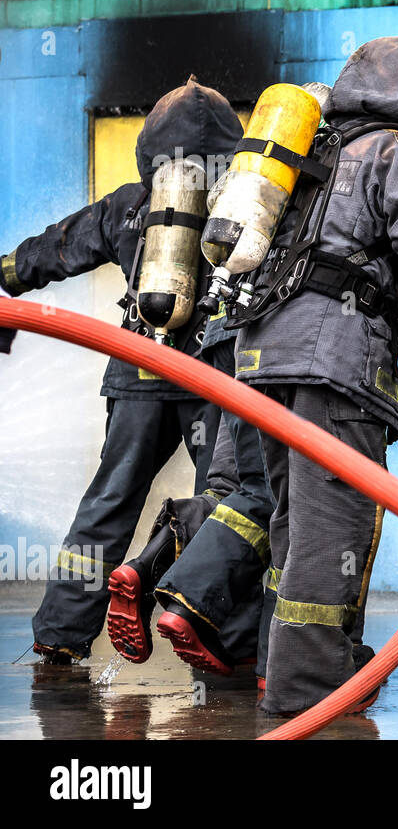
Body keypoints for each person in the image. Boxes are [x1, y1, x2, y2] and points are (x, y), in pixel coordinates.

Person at [233, 35, 398, 715]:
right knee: (334, 530)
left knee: (294, 526)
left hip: (265, 359)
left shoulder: (317, 149)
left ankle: (291, 667)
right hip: (335, 362)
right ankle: (309, 693)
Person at [0, 77, 243, 663]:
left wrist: (5, 279)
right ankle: (210, 628)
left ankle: (59, 634)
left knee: (109, 501)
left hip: (138, 370)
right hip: (214, 376)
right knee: (229, 500)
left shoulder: (128, 205)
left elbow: (54, 250)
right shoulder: (240, 205)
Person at [105, 306, 273, 673]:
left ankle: (146, 567)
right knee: (274, 496)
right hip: (280, 344)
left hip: (228, 343)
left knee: (229, 491)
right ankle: (191, 605)